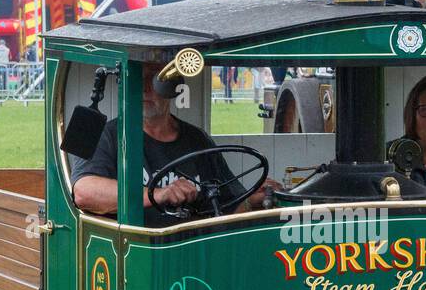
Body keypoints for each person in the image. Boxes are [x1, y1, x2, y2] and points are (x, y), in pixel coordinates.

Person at [73, 66, 280, 227]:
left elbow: (227, 211)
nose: (145, 88)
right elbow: (83, 192)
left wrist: (252, 200)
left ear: (172, 86)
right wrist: (158, 194)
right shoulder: (105, 134)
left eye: (155, 79)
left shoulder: (197, 140)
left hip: (194, 254)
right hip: (135, 255)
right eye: (137, 78)